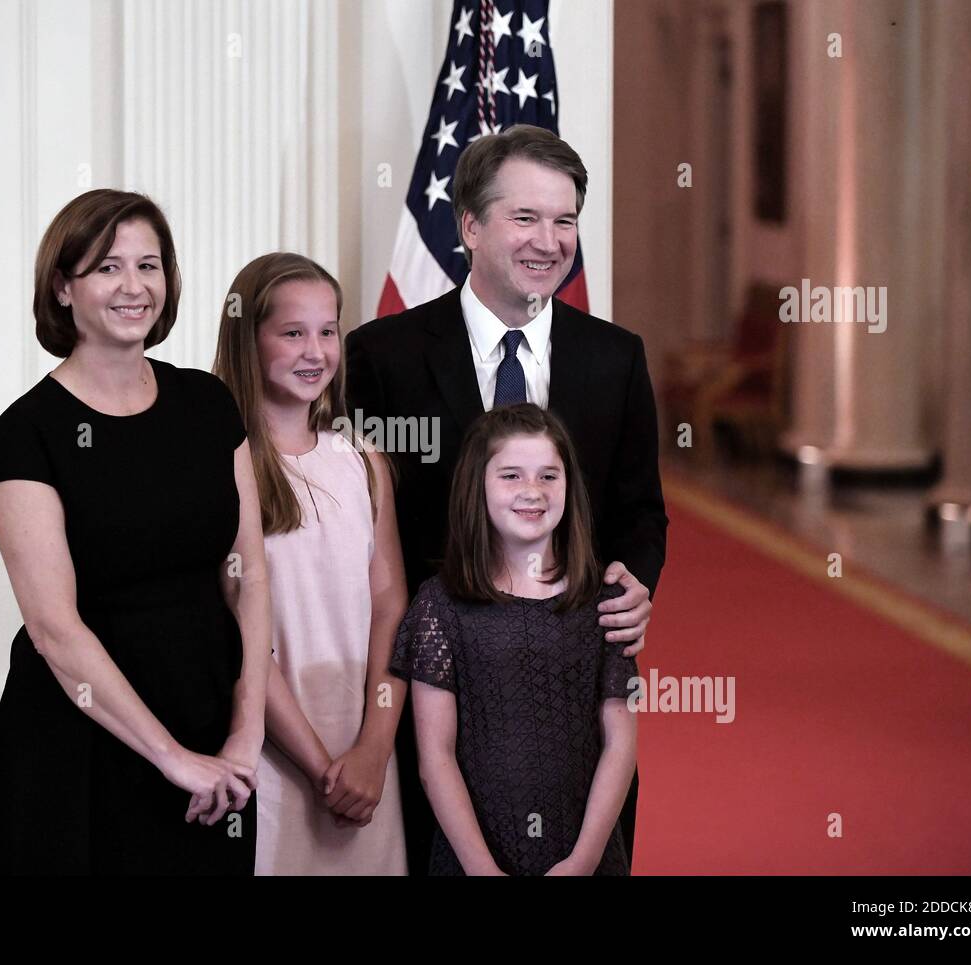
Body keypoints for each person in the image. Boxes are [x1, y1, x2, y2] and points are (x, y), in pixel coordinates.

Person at [346, 124, 666, 870]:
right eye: (525, 217)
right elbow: (356, 531)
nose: (549, 241)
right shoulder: (382, 357)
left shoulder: (616, 358)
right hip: (438, 701)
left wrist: (636, 580)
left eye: (565, 220)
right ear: (469, 225)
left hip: (570, 696)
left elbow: (640, 510)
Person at [0, 189, 269, 874]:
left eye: (149, 265)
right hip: (81, 750)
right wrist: (172, 758)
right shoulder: (27, 432)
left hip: (212, 739)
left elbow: (247, 571)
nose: (134, 286)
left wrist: (245, 734)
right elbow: (53, 628)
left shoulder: (207, 404)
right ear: (62, 287)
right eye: (107, 267)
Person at [214, 252, 408, 875]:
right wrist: (324, 769)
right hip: (277, 753)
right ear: (250, 340)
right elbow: (238, 630)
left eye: (328, 331)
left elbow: (390, 606)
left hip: (364, 751)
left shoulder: (361, 461)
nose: (315, 350)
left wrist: (374, 748)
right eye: (292, 332)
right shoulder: (223, 465)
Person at [390, 403, 638, 875]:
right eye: (511, 476)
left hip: (584, 854)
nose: (532, 491)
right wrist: (482, 869)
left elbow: (620, 745)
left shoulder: (604, 601)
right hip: (475, 854)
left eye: (549, 476)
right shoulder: (440, 606)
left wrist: (583, 861)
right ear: (476, 487)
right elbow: (435, 758)